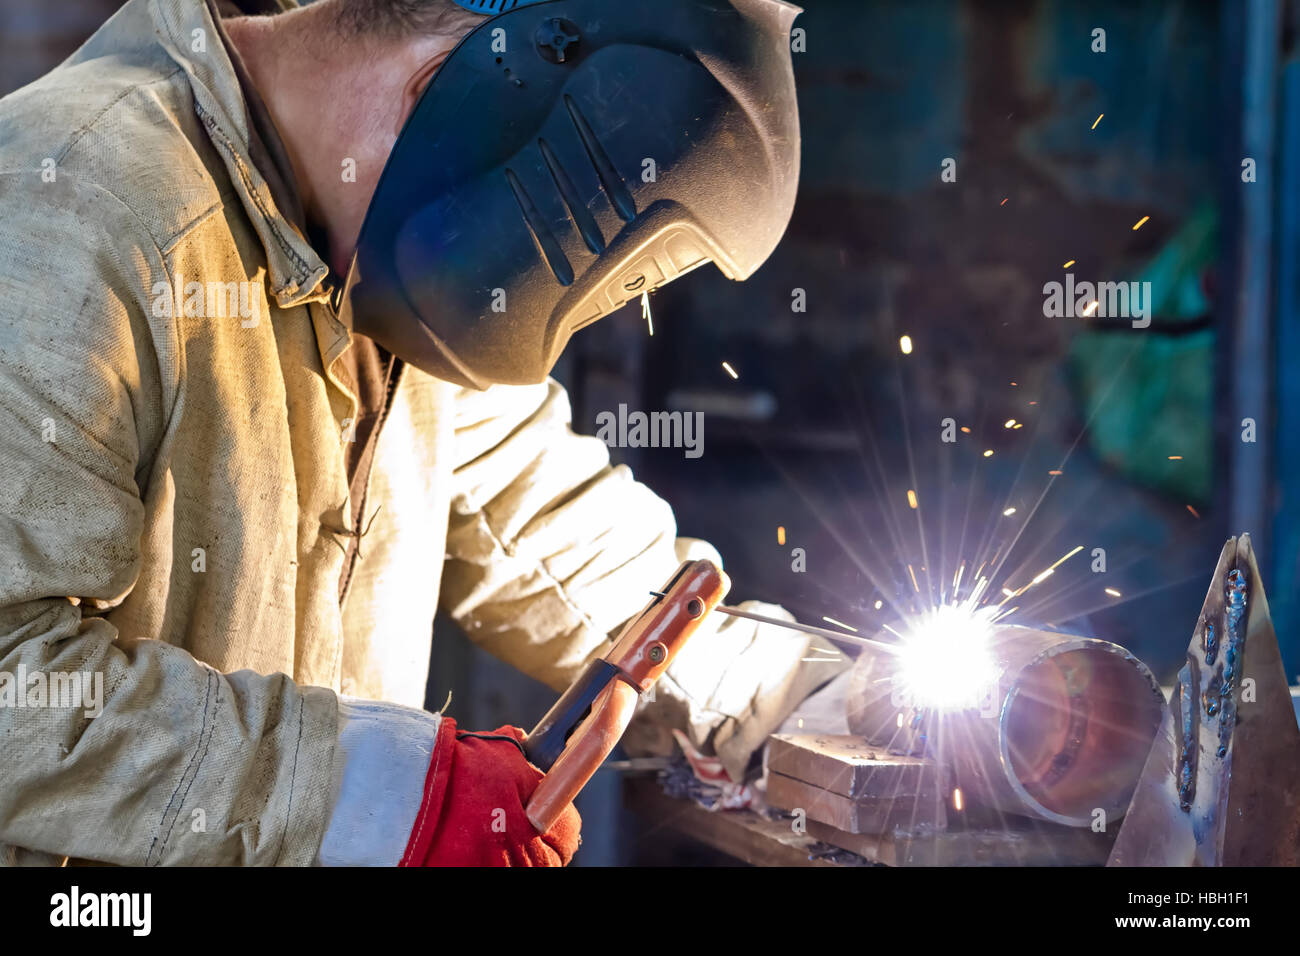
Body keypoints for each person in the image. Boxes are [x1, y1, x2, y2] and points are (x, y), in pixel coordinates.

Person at [0, 0, 833, 866]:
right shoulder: (65, 214)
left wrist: (783, 697)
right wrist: (375, 794)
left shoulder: (370, 254)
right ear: (447, 88)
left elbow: (529, 511)